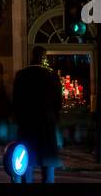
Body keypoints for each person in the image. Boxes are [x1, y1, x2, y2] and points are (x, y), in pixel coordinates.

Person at [11, 46, 63, 182]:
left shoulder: (21, 75)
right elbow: (58, 104)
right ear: (44, 58)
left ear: (31, 57)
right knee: (48, 167)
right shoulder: (52, 77)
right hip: (47, 126)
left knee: (26, 164)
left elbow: (15, 102)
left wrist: (18, 121)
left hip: (27, 126)